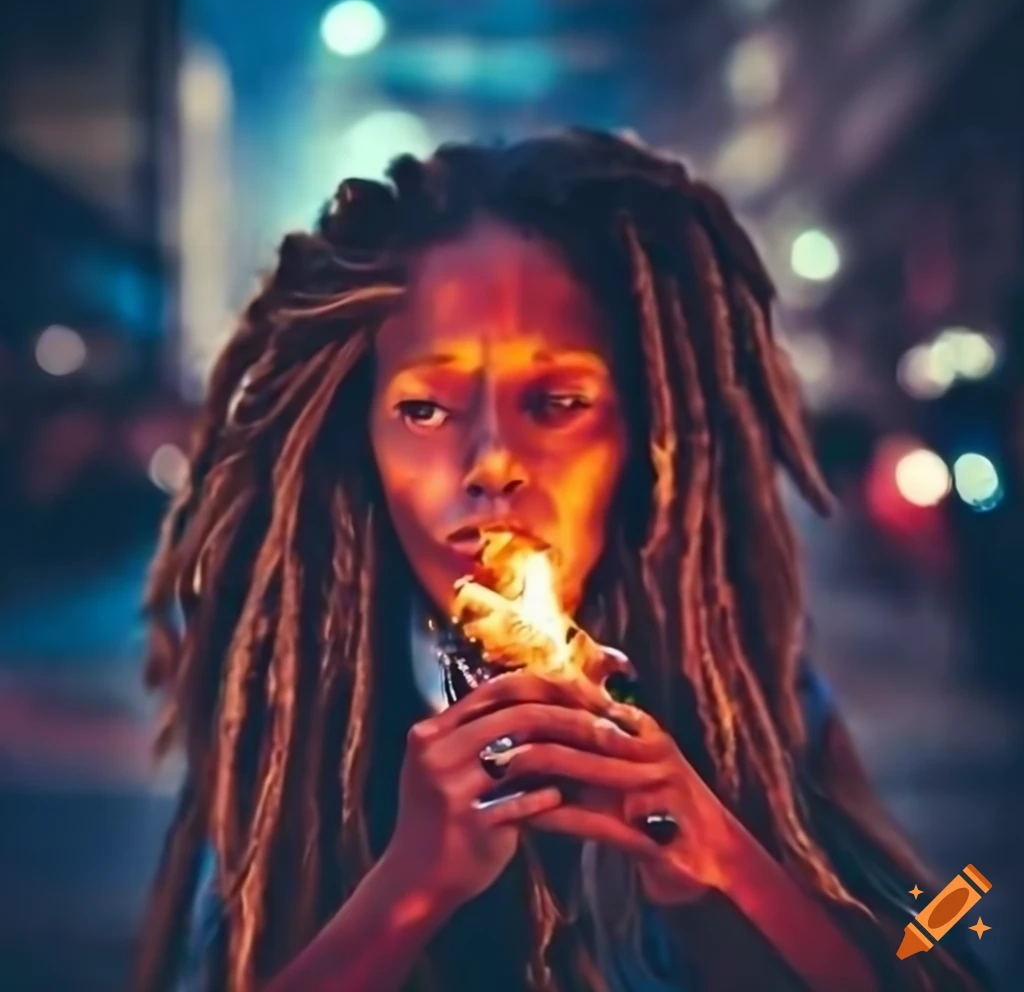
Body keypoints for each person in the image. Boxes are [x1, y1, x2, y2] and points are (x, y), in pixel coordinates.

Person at [136, 129, 990, 992]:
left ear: (639, 437)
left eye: (558, 401)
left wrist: (715, 864)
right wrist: (403, 895)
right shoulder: (292, 722)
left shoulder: (753, 701)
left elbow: (935, 951)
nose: (494, 463)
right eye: (426, 409)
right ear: (362, 436)